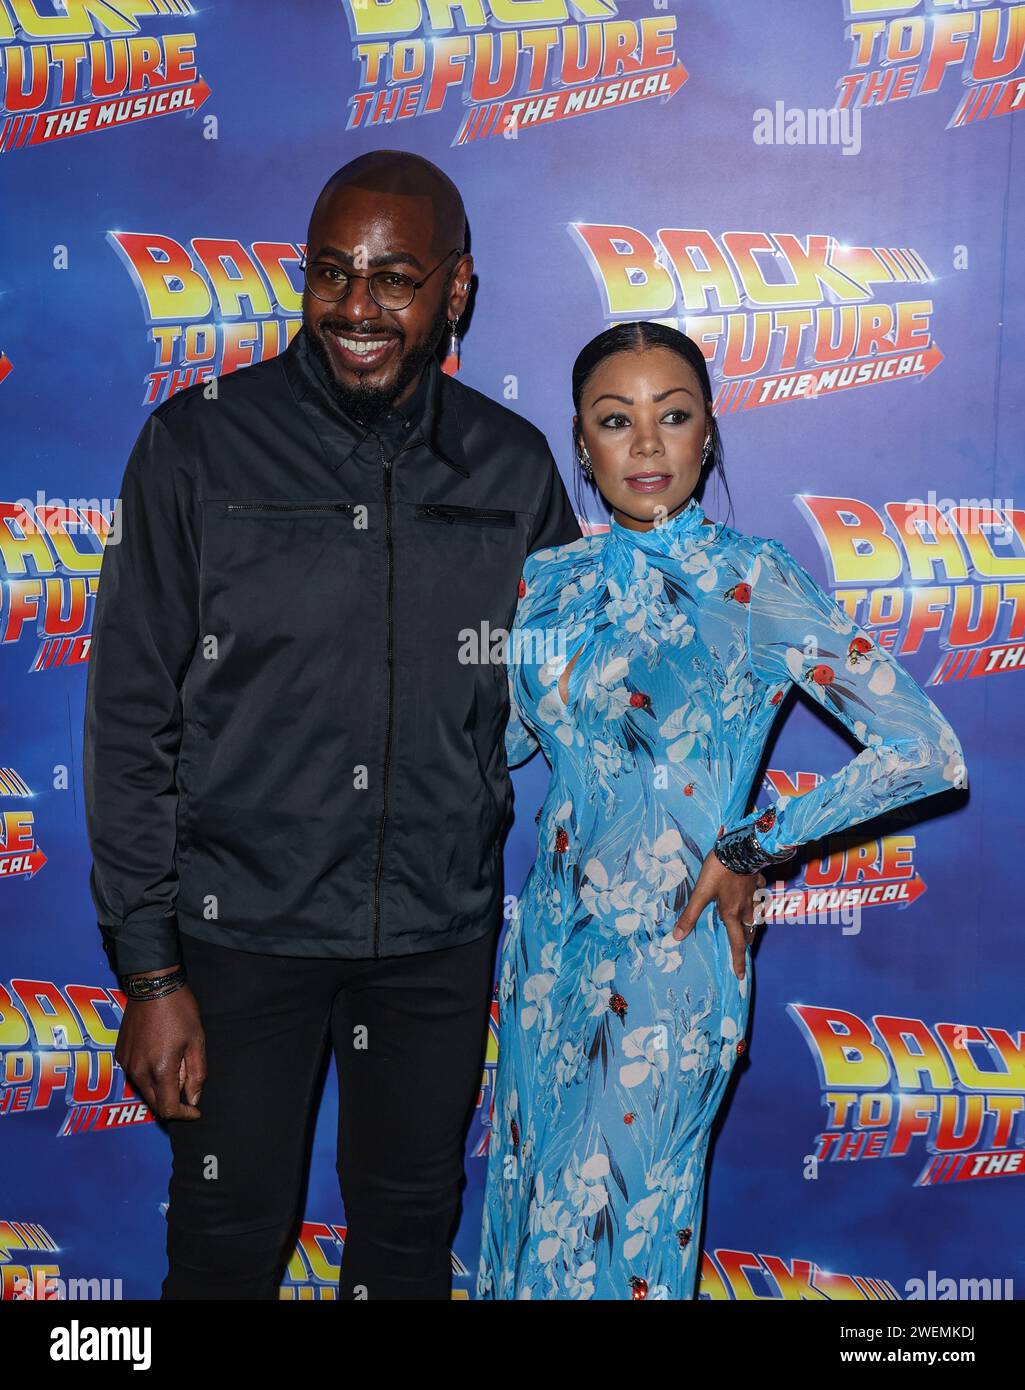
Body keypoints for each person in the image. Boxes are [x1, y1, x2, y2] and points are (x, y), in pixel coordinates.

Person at [82, 149, 581, 1301]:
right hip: (239, 935)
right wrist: (151, 974)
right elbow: (129, 719)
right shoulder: (197, 445)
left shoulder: (510, 467)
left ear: (454, 290)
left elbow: (590, 706)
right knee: (222, 1237)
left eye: (393, 279)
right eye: (329, 273)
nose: (355, 307)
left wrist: (712, 841)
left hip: (434, 941)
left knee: (407, 1240)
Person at [476, 320, 967, 1300]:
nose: (646, 446)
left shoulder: (754, 581)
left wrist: (753, 845)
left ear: (708, 435)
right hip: (544, 962)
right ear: (580, 441)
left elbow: (924, 750)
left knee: (623, 1249)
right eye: (615, 421)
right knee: (528, 1222)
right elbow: (499, 751)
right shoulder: (546, 586)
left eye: (673, 416)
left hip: (674, 963)